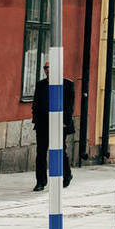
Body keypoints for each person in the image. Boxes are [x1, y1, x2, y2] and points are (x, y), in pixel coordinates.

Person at [32, 61, 75, 191]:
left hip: (59, 124)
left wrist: (65, 122)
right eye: (45, 68)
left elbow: (70, 106)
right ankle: (41, 182)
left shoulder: (67, 84)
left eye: (50, 67)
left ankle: (67, 175)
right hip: (43, 124)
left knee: (60, 151)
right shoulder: (40, 85)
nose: (48, 70)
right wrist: (36, 120)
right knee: (40, 153)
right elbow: (36, 103)